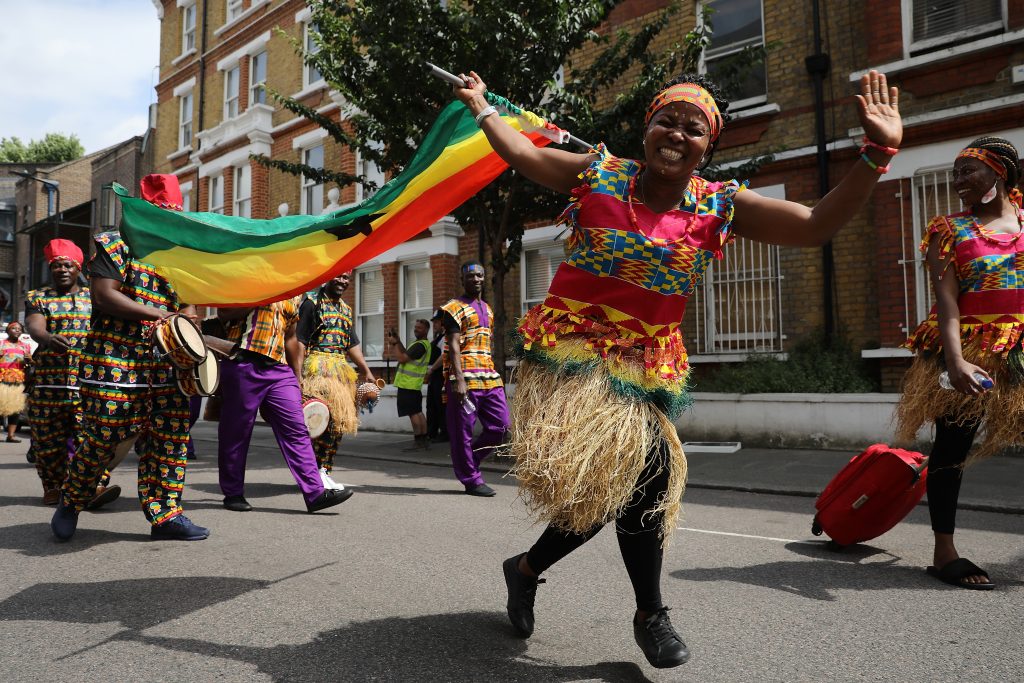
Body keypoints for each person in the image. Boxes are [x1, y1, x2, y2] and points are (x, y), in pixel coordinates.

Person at [453, 69, 901, 667]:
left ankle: (529, 568)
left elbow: (817, 225)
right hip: (571, 358)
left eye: (694, 129)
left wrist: (876, 153)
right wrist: (482, 106)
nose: (676, 134)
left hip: (643, 366)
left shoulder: (719, 206)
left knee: (617, 491)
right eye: (666, 120)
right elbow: (519, 152)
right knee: (648, 478)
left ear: (707, 147)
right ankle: (649, 613)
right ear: (647, 129)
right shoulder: (597, 172)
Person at [51, 174, 209, 542]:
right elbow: (105, 295)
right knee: (103, 436)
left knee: (170, 438)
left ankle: (166, 515)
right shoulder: (113, 244)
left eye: (171, 214)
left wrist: (188, 316)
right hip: (113, 357)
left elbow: (187, 302)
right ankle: (72, 500)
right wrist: (163, 315)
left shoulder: (177, 256)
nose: (165, 219)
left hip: (165, 362)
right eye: (159, 212)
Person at [895, 137, 1023, 591]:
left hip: (1020, 349)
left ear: (999, 173)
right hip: (967, 350)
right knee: (951, 450)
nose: (958, 181)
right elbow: (947, 303)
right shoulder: (948, 229)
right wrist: (956, 364)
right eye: (955, 173)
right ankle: (943, 551)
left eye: (967, 171)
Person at [217, 296, 353, 513]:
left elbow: (290, 336)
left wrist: (297, 376)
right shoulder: (249, 281)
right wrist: (260, 296)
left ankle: (315, 494)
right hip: (243, 361)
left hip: (279, 370)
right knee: (237, 431)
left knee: (297, 428)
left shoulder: (296, 295)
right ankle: (233, 493)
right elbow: (224, 313)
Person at [25, 239, 119, 508]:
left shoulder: (95, 297)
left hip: (87, 384)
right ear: (50, 268)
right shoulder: (38, 297)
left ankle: (95, 485)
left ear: (79, 268)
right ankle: (53, 487)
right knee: (47, 443)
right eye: (56, 266)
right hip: (47, 386)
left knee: (92, 439)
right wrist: (47, 337)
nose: (62, 270)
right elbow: (34, 326)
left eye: (68, 265)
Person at [297, 271, 375, 489]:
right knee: (318, 423)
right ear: (328, 277)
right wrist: (298, 376)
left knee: (337, 426)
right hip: (317, 372)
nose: (342, 281)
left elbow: (352, 345)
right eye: (339, 276)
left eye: (347, 278)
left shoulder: (346, 310)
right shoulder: (311, 304)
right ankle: (312, 474)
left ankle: (324, 471)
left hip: (341, 374)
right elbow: (300, 342)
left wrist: (366, 370)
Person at [440, 261, 510, 497]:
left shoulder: (488, 309)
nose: (476, 279)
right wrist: (458, 379)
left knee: (500, 427)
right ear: (463, 279)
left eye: (479, 275)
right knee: (463, 431)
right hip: (465, 377)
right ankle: (471, 479)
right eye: (470, 276)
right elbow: (452, 345)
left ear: (484, 277)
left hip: (489, 376)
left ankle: (468, 459)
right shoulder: (452, 308)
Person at [388, 319, 432, 450]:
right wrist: (399, 341)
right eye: (415, 327)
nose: (416, 329)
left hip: (408, 384)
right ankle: (424, 440)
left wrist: (394, 344)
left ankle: (418, 442)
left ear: (426, 330)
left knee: (413, 413)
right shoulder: (420, 344)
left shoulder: (420, 346)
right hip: (413, 385)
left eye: (419, 328)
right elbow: (406, 353)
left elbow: (401, 358)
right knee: (418, 412)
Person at [0, 321, 31, 443]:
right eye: (14, 328)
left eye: (19, 329)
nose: (17, 330)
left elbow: (30, 364)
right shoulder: (1, 344)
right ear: (8, 330)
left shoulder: (25, 346)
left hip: (18, 380)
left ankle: (10, 436)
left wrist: (30, 360)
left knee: (16, 408)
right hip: (2, 379)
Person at [425, 310, 449, 443]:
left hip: (440, 376)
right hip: (434, 376)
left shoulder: (446, 337)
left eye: (436, 322)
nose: (434, 324)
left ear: (443, 322)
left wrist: (432, 369)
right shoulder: (439, 337)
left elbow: (444, 356)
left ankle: (444, 433)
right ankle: (432, 432)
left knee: (440, 405)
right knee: (432, 405)